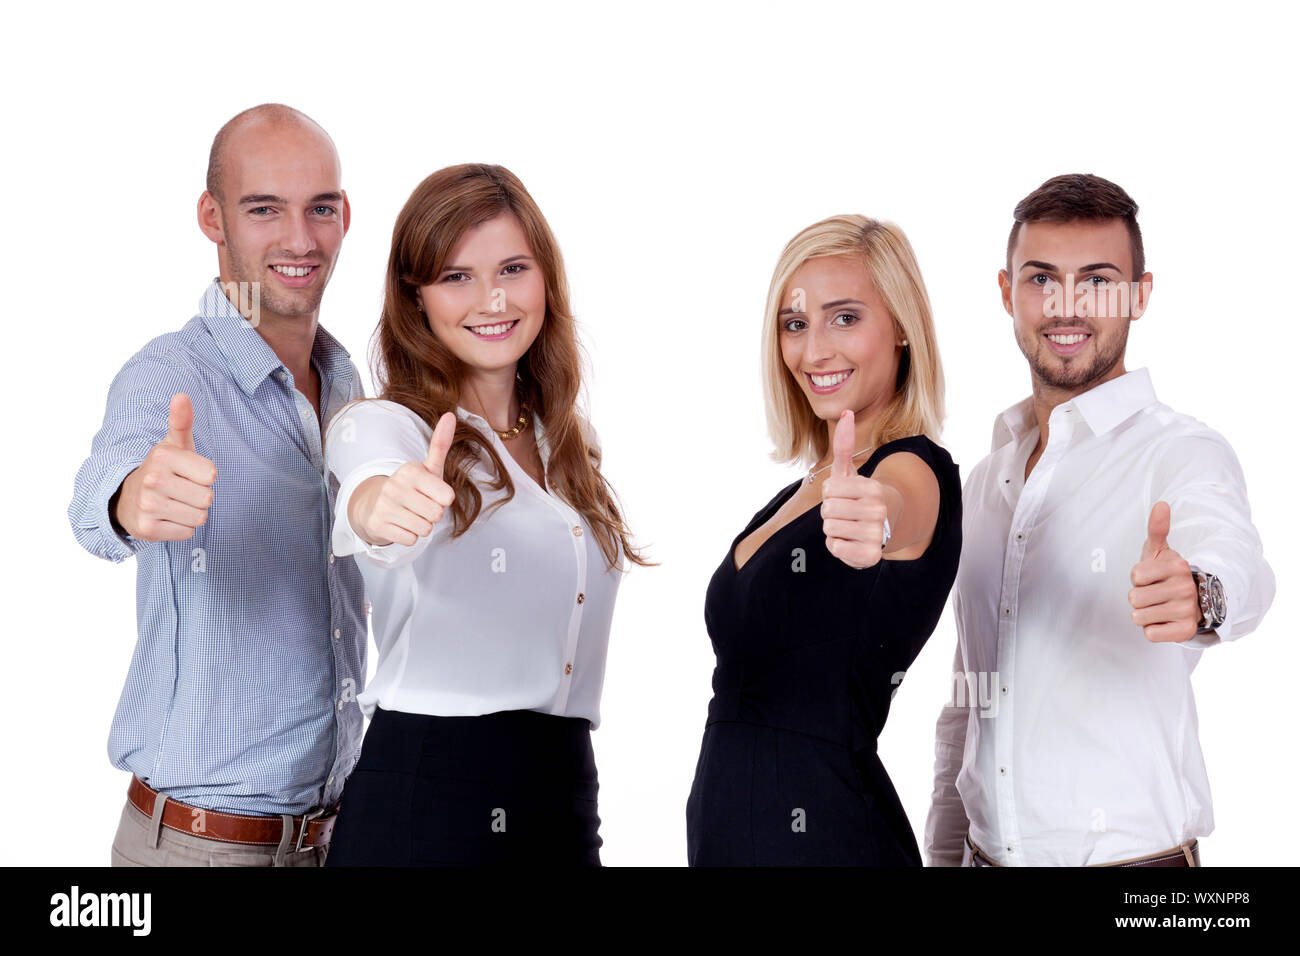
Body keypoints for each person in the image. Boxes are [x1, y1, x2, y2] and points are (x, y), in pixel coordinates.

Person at [923, 173, 1275, 868]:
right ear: (1007, 294)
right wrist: (940, 854)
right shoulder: (982, 485)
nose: (1066, 305)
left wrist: (1202, 595)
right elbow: (966, 711)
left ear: (1140, 296)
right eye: (1042, 279)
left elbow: (1241, 564)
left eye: (1098, 280)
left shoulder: (1180, 451)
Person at [321, 163, 649, 866]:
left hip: (561, 797)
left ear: (545, 279)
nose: (492, 298)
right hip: (429, 802)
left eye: (512, 268)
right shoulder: (387, 427)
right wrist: (387, 506)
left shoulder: (569, 444)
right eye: (455, 276)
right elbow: (372, 495)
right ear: (417, 299)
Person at [67, 104, 366, 867]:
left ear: (345, 217)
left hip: (333, 839)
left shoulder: (346, 386)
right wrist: (132, 499)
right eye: (264, 209)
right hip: (202, 851)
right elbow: (99, 502)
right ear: (213, 217)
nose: (299, 240)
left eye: (319, 209)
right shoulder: (168, 375)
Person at [686, 215, 961, 865]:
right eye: (795, 323)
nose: (814, 351)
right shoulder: (797, 493)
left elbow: (898, 511)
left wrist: (878, 518)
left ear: (900, 328)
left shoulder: (911, 469)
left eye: (844, 318)